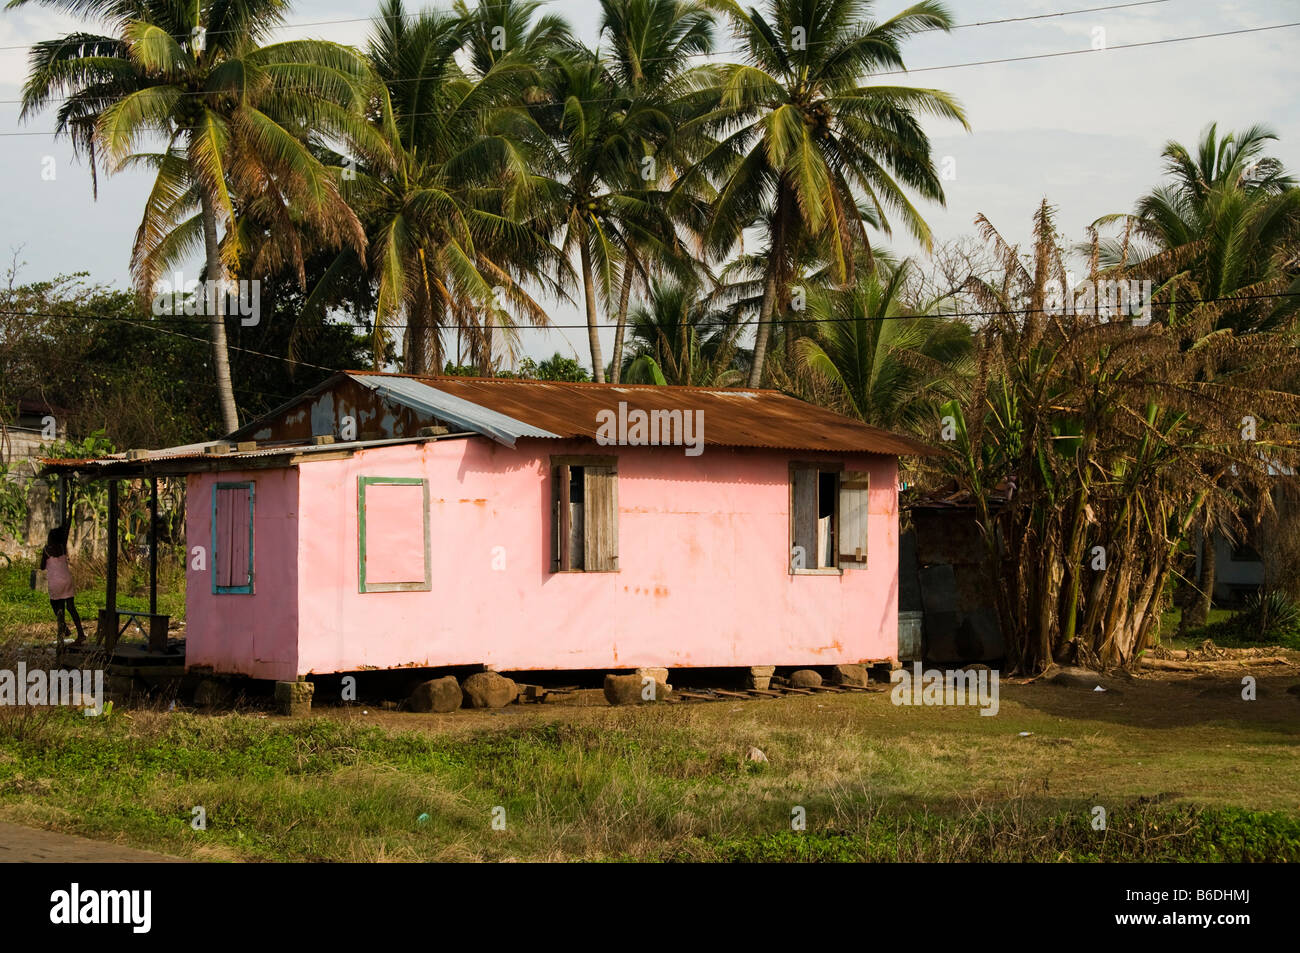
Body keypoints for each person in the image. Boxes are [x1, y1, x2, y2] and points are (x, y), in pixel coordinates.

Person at [41, 526, 85, 646]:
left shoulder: (46, 550)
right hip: (67, 580)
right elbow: (68, 526)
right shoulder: (62, 548)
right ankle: (81, 633)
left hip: (56, 583)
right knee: (71, 607)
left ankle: (65, 628)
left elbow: (42, 567)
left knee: (56, 605)